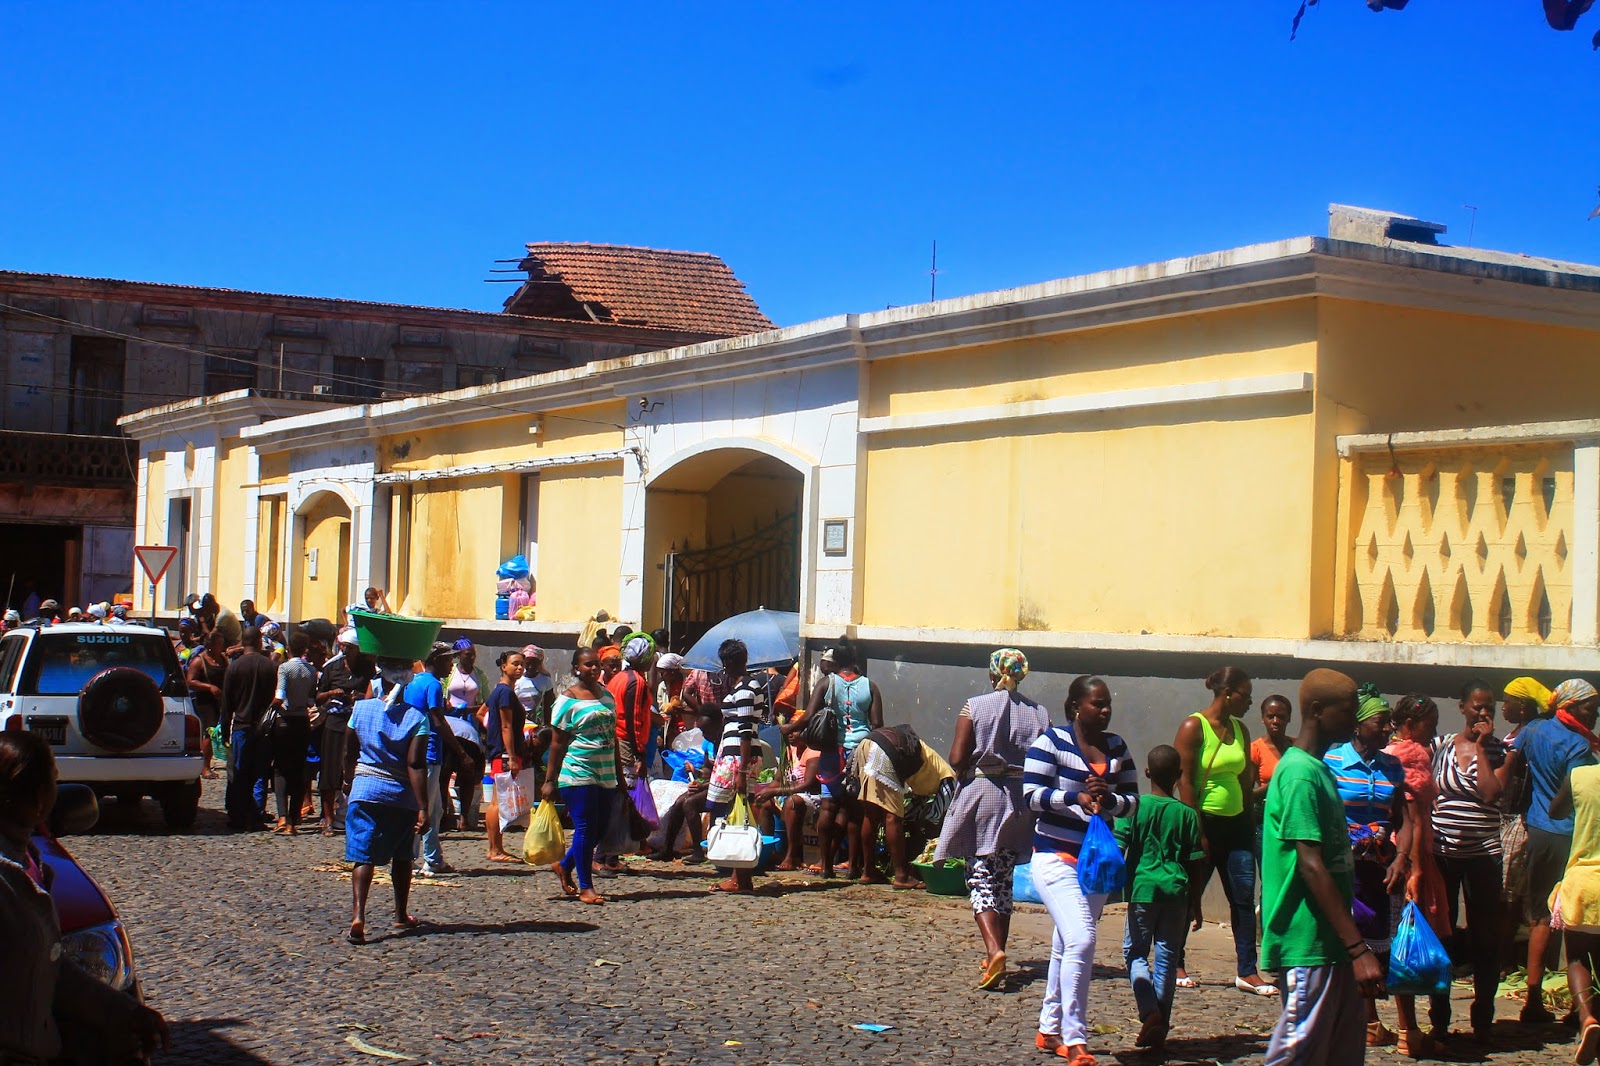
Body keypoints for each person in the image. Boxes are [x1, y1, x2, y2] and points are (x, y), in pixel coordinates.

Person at [0, 732, 170, 1062]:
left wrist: (124, 1011)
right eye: (54, 780)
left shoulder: (27, 861)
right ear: (40, 797)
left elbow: (48, 967)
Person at [1261, 668, 1383, 1066]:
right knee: (1296, 1055)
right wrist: (1358, 948)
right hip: (1308, 943)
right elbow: (1311, 865)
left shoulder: (1319, 770)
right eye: (1347, 711)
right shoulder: (1299, 774)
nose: (1354, 720)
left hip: (1332, 944)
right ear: (1316, 710)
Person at [1023, 674, 1139, 1065]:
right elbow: (1031, 795)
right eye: (1097, 703)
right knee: (1082, 939)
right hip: (1054, 857)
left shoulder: (1117, 747)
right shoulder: (1051, 742)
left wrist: (1110, 800)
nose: (1105, 710)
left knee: (1065, 944)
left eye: (1108, 703)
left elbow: (1133, 802)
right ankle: (1075, 1039)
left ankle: (1049, 1028)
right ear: (1076, 706)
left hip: (1095, 863)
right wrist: (1074, 796)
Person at [933, 648, 1049, 989]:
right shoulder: (1040, 713)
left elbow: (957, 757)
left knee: (980, 876)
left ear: (991, 673)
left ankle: (994, 949)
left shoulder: (974, 706)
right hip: (1020, 800)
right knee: (1003, 876)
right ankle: (996, 953)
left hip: (983, 795)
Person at [1174, 667, 1276, 995]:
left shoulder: (1240, 730)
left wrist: (1247, 819)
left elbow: (1245, 779)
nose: (1250, 703)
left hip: (1237, 827)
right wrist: (1197, 832)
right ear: (1228, 693)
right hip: (1203, 824)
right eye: (1246, 696)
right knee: (1189, 897)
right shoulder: (1193, 727)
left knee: (1243, 899)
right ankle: (1175, 962)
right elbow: (1185, 781)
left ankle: (1247, 970)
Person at [1325, 683, 1414, 1049]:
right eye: (1380, 722)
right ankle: (1369, 1021)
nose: (1388, 729)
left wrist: (1402, 859)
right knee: (1355, 943)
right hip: (1345, 869)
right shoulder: (1331, 762)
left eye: (1389, 722)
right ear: (1358, 725)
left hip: (1383, 867)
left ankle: (1407, 1029)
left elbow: (1404, 819)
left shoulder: (1391, 766)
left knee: (1392, 945)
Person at [1506, 676, 1599, 1024]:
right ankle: (1583, 1008)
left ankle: (1532, 999)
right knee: (1572, 922)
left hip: (1539, 831)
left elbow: (1514, 761)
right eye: (1590, 709)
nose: (1595, 716)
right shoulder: (1578, 747)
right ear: (1570, 706)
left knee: (1540, 916)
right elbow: (1576, 795)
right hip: (1571, 838)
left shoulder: (1533, 730)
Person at [1429, 679, 1510, 1043]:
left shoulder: (1501, 751)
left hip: (1483, 856)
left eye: (1489, 706)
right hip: (1443, 854)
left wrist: (1480, 747)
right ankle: (1439, 1014)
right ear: (1462, 707)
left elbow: (1490, 794)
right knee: (1442, 932)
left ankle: (1483, 1013)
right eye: (1477, 705)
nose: (1483, 712)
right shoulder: (1441, 746)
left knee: (1485, 935)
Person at [1118, 744, 1205, 1050]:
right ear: (1179, 775)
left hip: (1143, 889)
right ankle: (1161, 1022)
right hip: (1177, 892)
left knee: (1135, 953)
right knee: (1167, 955)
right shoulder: (1188, 814)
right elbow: (1196, 862)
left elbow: (1119, 846)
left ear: (1146, 772)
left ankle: (1149, 1011)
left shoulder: (1135, 808)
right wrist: (1196, 903)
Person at [340, 658, 431, 945]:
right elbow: (415, 764)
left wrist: (348, 779)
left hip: (365, 791)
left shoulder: (360, 709)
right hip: (401, 797)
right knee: (403, 856)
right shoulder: (417, 718)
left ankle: (358, 915)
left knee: (363, 856)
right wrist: (424, 806)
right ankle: (401, 913)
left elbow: (349, 750)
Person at [1384, 694, 1448, 1058]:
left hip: (1388, 852)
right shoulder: (1412, 756)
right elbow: (1416, 819)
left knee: (1384, 936)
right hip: (1409, 855)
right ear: (1409, 725)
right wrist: (1418, 868)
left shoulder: (1384, 754)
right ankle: (1408, 1029)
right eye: (1429, 725)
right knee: (1404, 941)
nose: (1433, 733)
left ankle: (1374, 1023)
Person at [543, 648, 620, 905]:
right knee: (585, 828)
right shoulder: (567, 700)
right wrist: (550, 780)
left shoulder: (607, 696)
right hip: (578, 771)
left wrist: (620, 777)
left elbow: (613, 737)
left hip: (606, 772)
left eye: (597, 664)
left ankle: (565, 865)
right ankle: (586, 887)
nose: (594, 668)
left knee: (600, 829)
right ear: (577, 668)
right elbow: (557, 743)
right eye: (588, 665)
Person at [806, 640, 882, 878]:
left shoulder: (826, 683)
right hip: (860, 751)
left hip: (832, 751)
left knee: (829, 806)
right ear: (855, 661)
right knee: (854, 809)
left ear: (835, 661)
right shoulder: (870, 686)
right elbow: (877, 724)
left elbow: (809, 716)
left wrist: (788, 729)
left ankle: (826, 866)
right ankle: (853, 866)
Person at [705, 639, 769, 894]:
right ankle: (739, 875)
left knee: (733, 811)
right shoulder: (748, 686)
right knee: (737, 813)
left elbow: (745, 731)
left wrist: (741, 771)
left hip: (738, 760)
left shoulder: (744, 689)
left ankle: (739, 877)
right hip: (738, 757)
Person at [1548, 752, 1600, 1064]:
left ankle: (1586, 1018)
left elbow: (1556, 811)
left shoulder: (1580, 776)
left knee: (1578, 957)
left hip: (1584, 882)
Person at [1499, 675, 1551, 975]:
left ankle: (1506, 960)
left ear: (1522, 706)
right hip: (1515, 819)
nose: (1502, 707)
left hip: (1520, 820)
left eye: (1507, 702)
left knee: (1509, 895)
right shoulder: (1526, 732)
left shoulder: (1527, 735)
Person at [409, 643, 464, 877]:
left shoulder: (415, 681)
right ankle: (410, 858)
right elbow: (438, 720)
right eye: (448, 660)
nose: (451, 665)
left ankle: (433, 857)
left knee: (436, 809)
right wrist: (460, 752)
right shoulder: (433, 685)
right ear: (437, 661)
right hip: (429, 752)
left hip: (418, 749)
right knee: (426, 809)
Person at [315, 628, 374, 835]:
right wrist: (332, 693)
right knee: (330, 771)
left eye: (349, 647)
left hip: (356, 723)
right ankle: (328, 818)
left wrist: (361, 696)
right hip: (334, 723)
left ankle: (352, 815)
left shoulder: (367, 669)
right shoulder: (332, 668)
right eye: (343, 647)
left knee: (353, 770)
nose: (345, 651)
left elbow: (374, 692)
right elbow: (318, 697)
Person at [221, 626, 278, 830]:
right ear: (259, 641)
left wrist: (224, 729)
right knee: (260, 772)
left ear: (243, 643)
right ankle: (256, 814)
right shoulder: (270, 667)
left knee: (239, 772)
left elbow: (226, 703)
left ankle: (238, 814)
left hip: (241, 725)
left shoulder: (234, 667)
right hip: (263, 727)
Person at [265, 633, 318, 835]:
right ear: (305, 649)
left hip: (284, 721)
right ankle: (294, 818)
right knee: (298, 769)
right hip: (302, 722)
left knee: (280, 768)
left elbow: (279, 696)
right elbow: (311, 701)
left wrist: (268, 709)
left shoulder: (285, 668)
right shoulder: (311, 671)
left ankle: (283, 816)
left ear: (289, 649)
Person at [484, 649, 529, 863]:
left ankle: (496, 847)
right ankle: (495, 849)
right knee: (496, 801)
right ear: (504, 666)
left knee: (498, 800)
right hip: (503, 753)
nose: (519, 668)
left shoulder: (500, 691)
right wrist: (510, 756)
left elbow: (481, 713)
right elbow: (506, 726)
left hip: (500, 749)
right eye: (515, 664)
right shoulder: (504, 693)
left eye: (522, 664)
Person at [443, 639, 488, 832]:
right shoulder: (449, 674)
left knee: (467, 772)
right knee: (445, 770)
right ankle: (444, 814)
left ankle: (464, 817)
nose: (471, 658)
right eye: (467, 654)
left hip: (470, 725)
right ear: (458, 655)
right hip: (449, 724)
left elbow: (486, 702)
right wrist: (450, 708)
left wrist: (470, 710)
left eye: (473, 654)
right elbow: (442, 698)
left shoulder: (480, 676)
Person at [1250, 694, 1295, 865]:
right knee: (1270, 872)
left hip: (1294, 820)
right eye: (1270, 716)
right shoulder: (1255, 749)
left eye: (1281, 716)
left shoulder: (1297, 747)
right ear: (1263, 718)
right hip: (1267, 822)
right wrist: (1276, 783)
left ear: (1289, 718)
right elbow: (1248, 794)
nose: (1276, 721)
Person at [186, 630, 229, 780]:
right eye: (219, 644)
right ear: (210, 645)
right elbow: (190, 681)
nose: (221, 647)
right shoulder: (199, 661)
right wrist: (209, 687)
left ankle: (210, 761)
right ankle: (204, 766)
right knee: (209, 732)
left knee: (217, 731)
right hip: (204, 702)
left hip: (220, 700)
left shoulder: (222, 659)